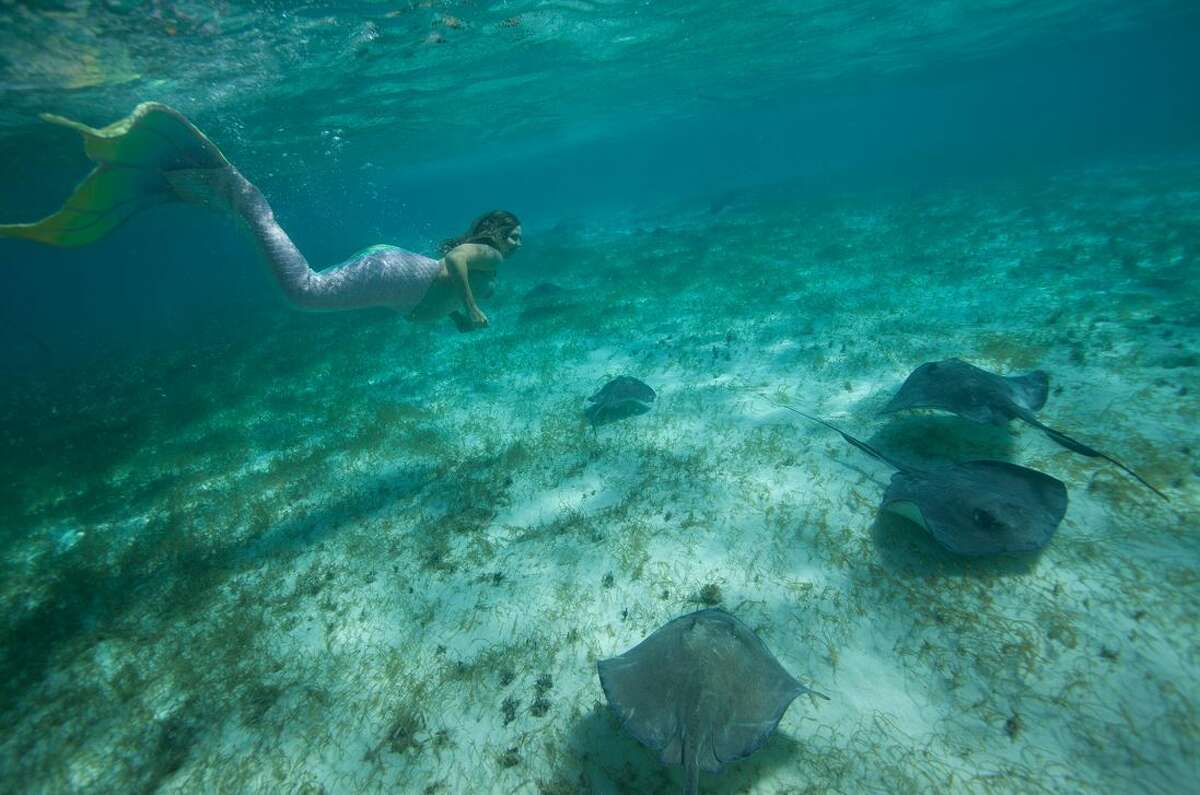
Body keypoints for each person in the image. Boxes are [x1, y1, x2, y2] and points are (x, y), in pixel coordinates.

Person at [0, 102, 521, 331]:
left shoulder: (489, 263)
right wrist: (473, 308)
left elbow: (451, 284)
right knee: (304, 293)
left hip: (394, 275)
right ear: (497, 232)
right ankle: (244, 196)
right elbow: (454, 263)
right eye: (514, 234)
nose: (518, 243)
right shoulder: (490, 255)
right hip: (397, 275)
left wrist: (461, 318)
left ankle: (225, 197)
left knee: (303, 293)